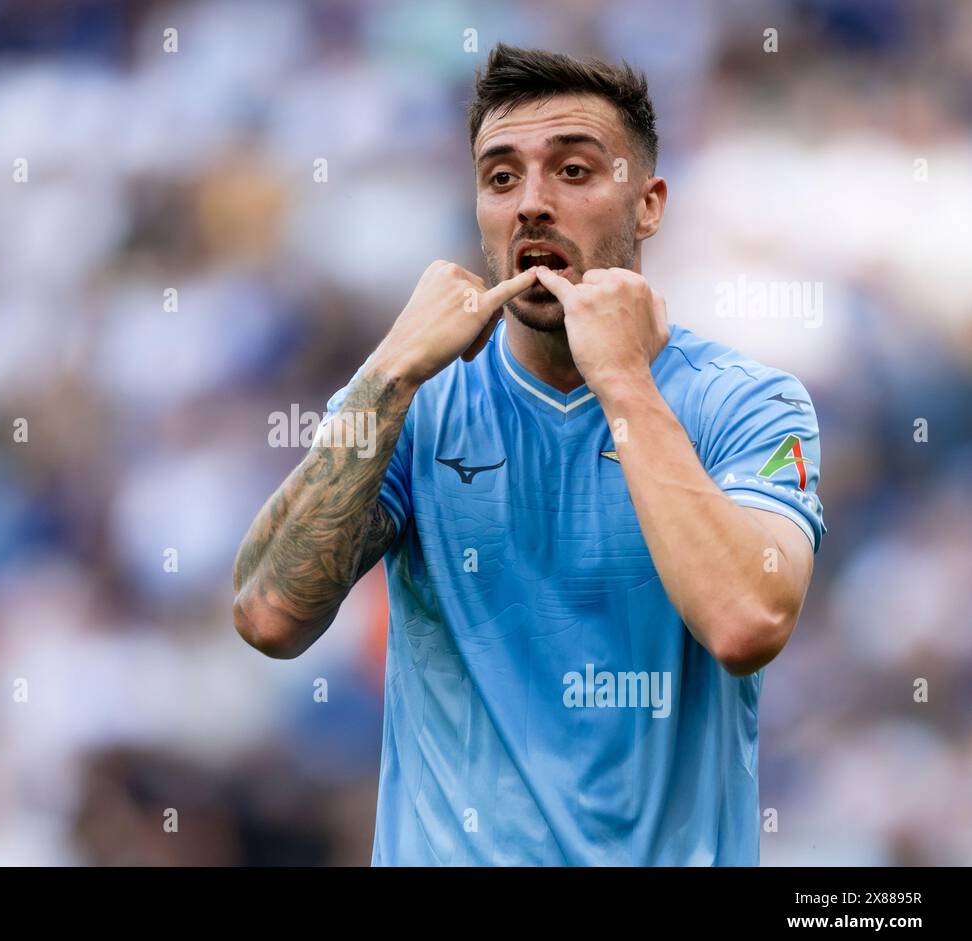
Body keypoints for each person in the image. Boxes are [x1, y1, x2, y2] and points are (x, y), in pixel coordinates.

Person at [232, 44, 825, 865]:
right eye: (501, 178)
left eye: (574, 172)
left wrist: (620, 379)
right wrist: (390, 371)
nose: (531, 205)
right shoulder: (412, 399)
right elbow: (268, 615)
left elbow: (746, 620)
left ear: (648, 204)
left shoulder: (748, 403)